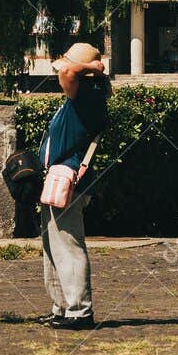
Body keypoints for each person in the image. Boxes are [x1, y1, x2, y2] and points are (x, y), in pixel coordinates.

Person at [37, 42, 109, 331]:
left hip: (68, 181)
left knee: (68, 245)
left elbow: (67, 70)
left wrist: (92, 67)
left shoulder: (86, 95)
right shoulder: (83, 96)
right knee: (54, 246)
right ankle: (63, 306)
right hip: (58, 179)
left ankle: (79, 310)